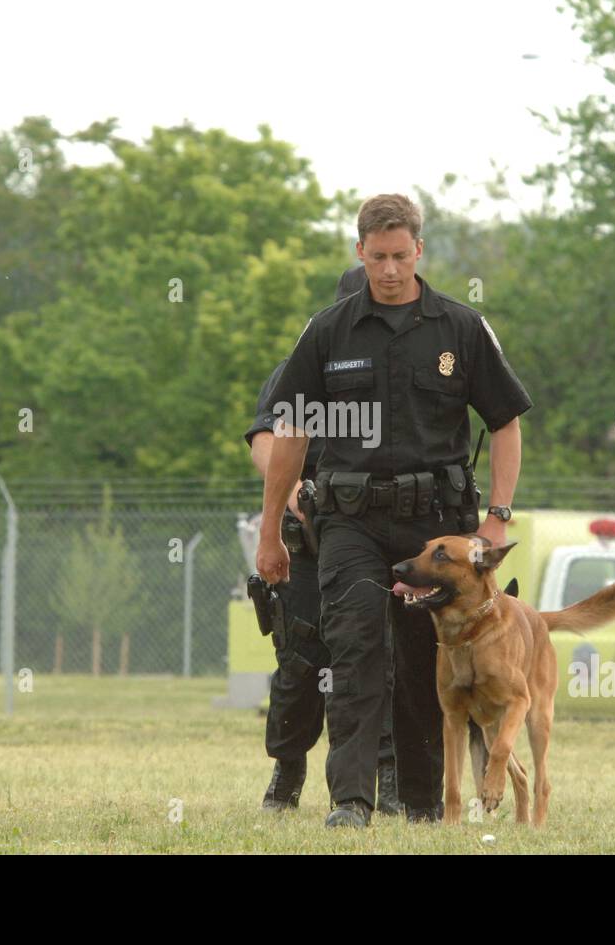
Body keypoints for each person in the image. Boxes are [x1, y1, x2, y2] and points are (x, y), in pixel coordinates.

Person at [256, 193, 532, 827]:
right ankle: (351, 802)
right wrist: (272, 530)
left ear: (420, 250)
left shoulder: (460, 328)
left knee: (425, 660)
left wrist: (499, 515)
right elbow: (290, 430)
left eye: (400, 256)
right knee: (354, 652)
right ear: (359, 252)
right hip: (349, 521)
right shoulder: (328, 331)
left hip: (434, 524)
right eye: (376, 257)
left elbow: (507, 423)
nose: (388, 269)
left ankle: (423, 802)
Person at [244, 264, 399, 815]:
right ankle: (288, 770)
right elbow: (266, 437)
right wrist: (285, 492)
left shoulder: (407, 367)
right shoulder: (309, 363)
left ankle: (390, 778)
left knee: (384, 657)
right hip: (310, 535)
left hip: (379, 535)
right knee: (302, 659)